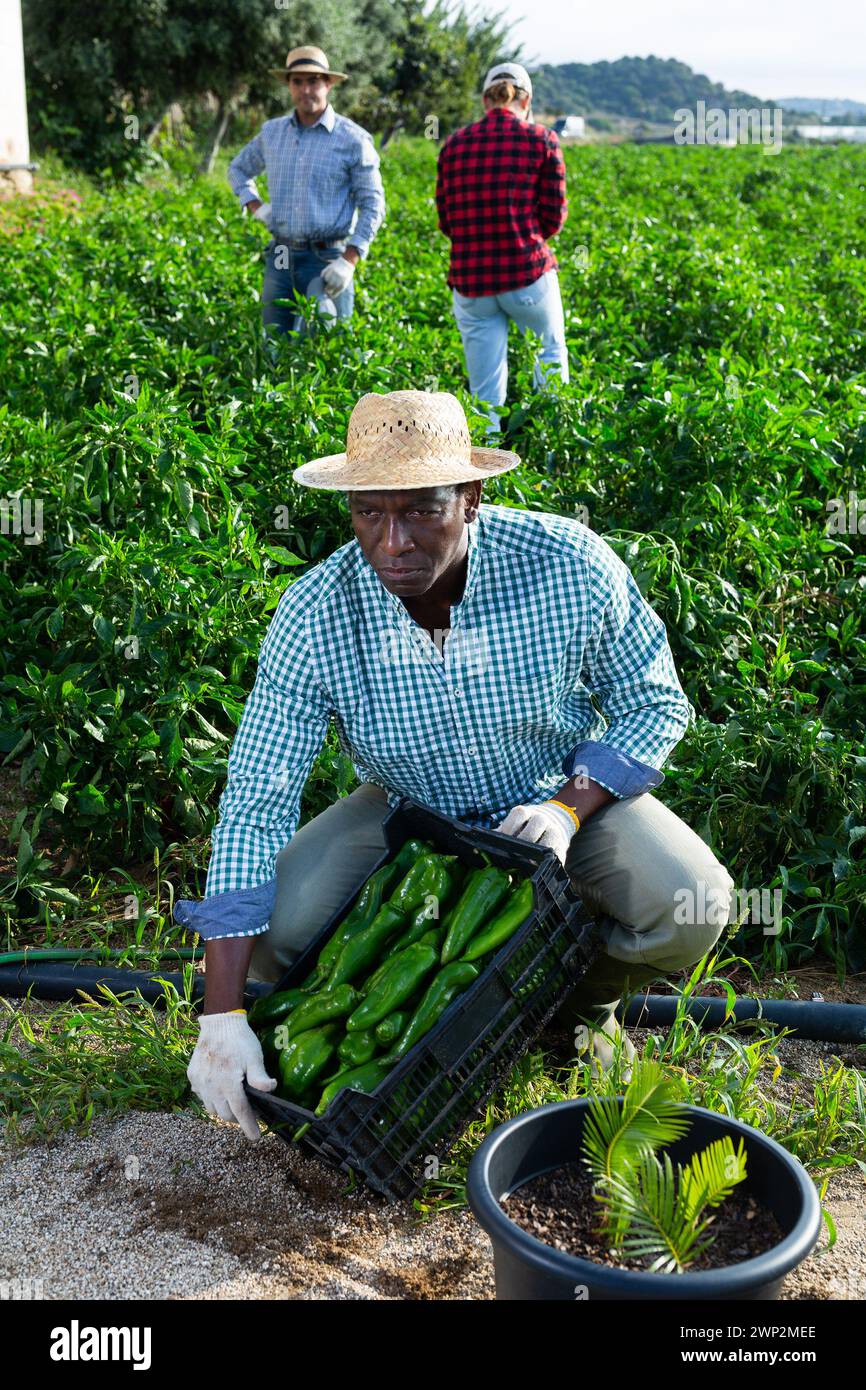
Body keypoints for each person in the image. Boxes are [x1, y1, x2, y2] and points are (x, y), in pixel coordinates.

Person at [175, 390, 734, 1142]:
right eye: (370, 513)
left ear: (470, 498)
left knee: (688, 901)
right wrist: (221, 1012)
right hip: (408, 807)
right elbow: (256, 798)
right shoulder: (315, 615)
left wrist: (568, 809)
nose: (392, 542)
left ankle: (575, 1006)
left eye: (419, 512)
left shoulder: (566, 565)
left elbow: (653, 701)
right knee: (286, 919)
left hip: (546, 793)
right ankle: (326, 1036)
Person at [435, 62, 569, 435]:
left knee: (484, 392)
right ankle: (552, 454)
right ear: (526, 100)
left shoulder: (454, 145)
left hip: (472, 281)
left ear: (485, 100)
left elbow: (447, 221)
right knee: (550, 357)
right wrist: (521, 236)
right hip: (526, 275)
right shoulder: (541, 140)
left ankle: (488, 472)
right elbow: (554, 218)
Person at [227, 45, 385, 336]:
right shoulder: (273, 133)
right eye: (297, 82)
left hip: (327, 259)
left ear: (327, 84)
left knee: (327, 346)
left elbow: (373, 204)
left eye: (313, 81)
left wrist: (349, 260)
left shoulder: (352, 139)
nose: (305, 90)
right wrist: (256, 206)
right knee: (274, 343)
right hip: (282, 254)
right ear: (288, 86)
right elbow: (237, 169)